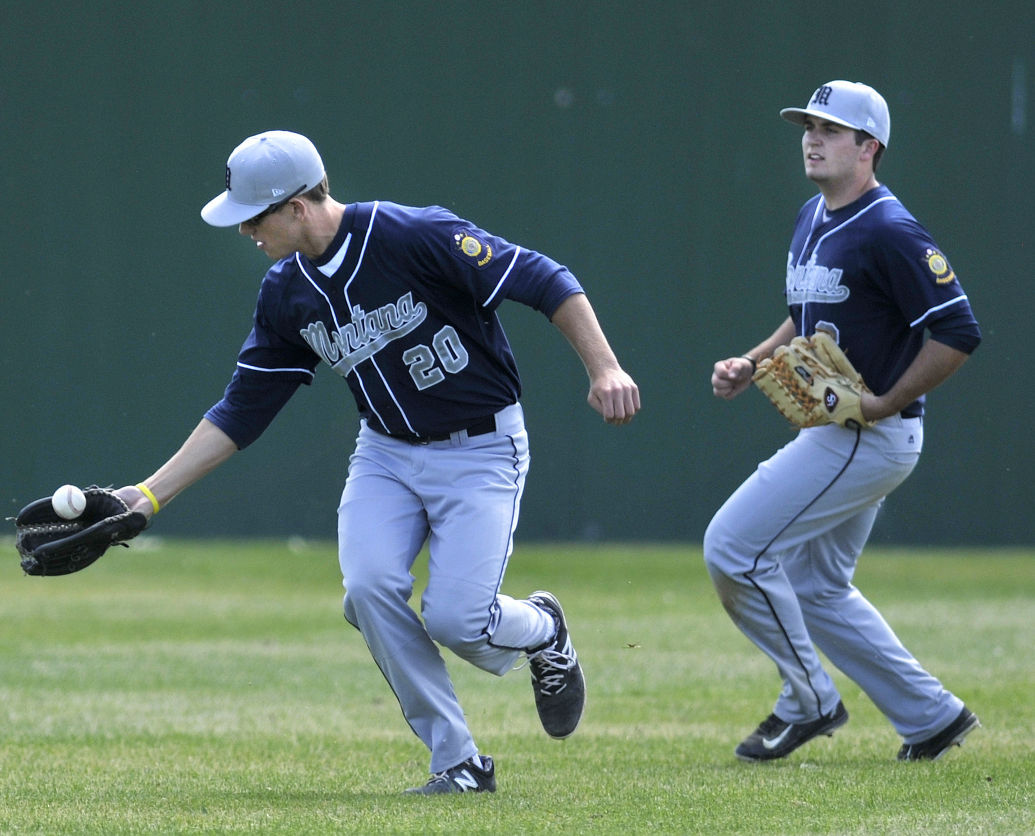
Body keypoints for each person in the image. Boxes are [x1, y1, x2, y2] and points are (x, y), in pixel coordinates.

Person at [113, 130, 641, 793]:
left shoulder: (409, 235)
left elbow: (543, 279)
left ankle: (542, 631)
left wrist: (605, 367)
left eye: (254, 216)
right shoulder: (285, 293)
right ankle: (458, 761)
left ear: (298, 205)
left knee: (456, 620)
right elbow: (243, 408)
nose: (246, 230)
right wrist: (148, 495)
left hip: (480, 448)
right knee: (366, 590)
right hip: (385, 455)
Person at [704, 81, 981, 763]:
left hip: (868, 434)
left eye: (830, 128)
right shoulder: (813, 214)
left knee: (732, 549)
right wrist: (753, 360)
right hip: (837, 430)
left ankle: (809, 701)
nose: (811, 137)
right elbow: (804, 315)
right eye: (807, 125)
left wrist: (885, 402)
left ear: (868, 147)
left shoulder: (889, 228)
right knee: (814, 586)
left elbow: (956, 330)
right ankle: (931, 718)